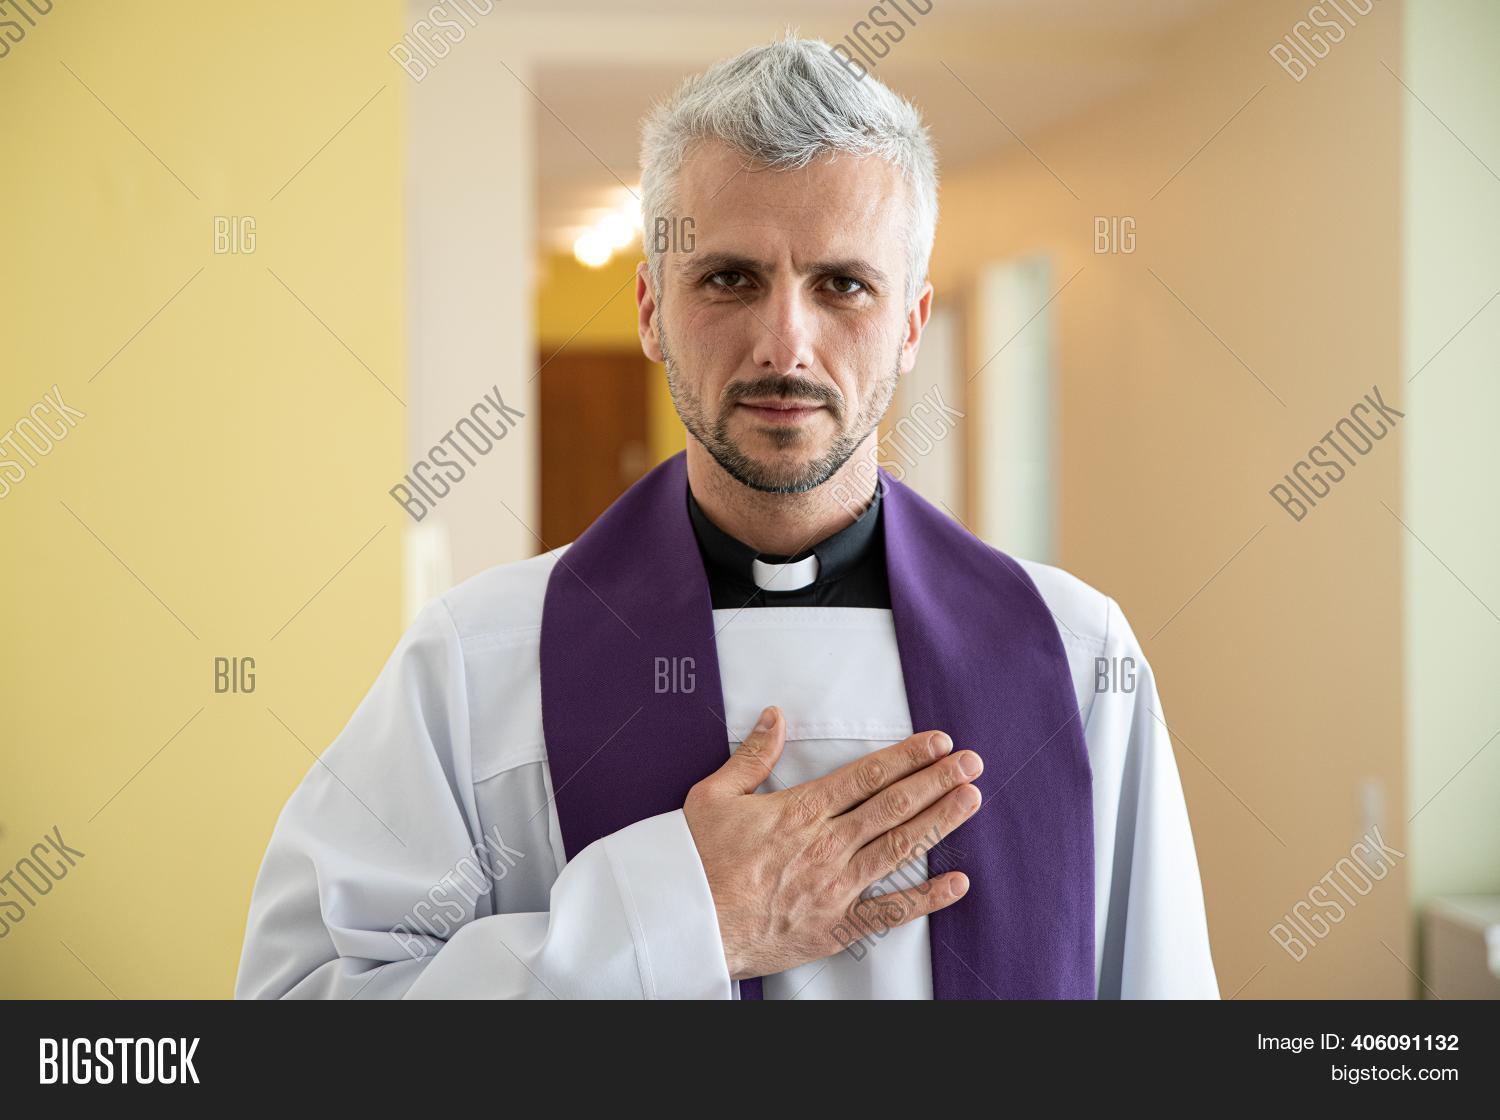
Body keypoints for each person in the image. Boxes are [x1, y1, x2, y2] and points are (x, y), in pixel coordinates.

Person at [235, 34, 1218, 1000]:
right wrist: (672, 917)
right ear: (651, 308)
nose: (783, 341)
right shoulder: (478, 660)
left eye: (843, 284)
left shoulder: (1076, 655)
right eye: (730, 278)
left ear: (912, 325)